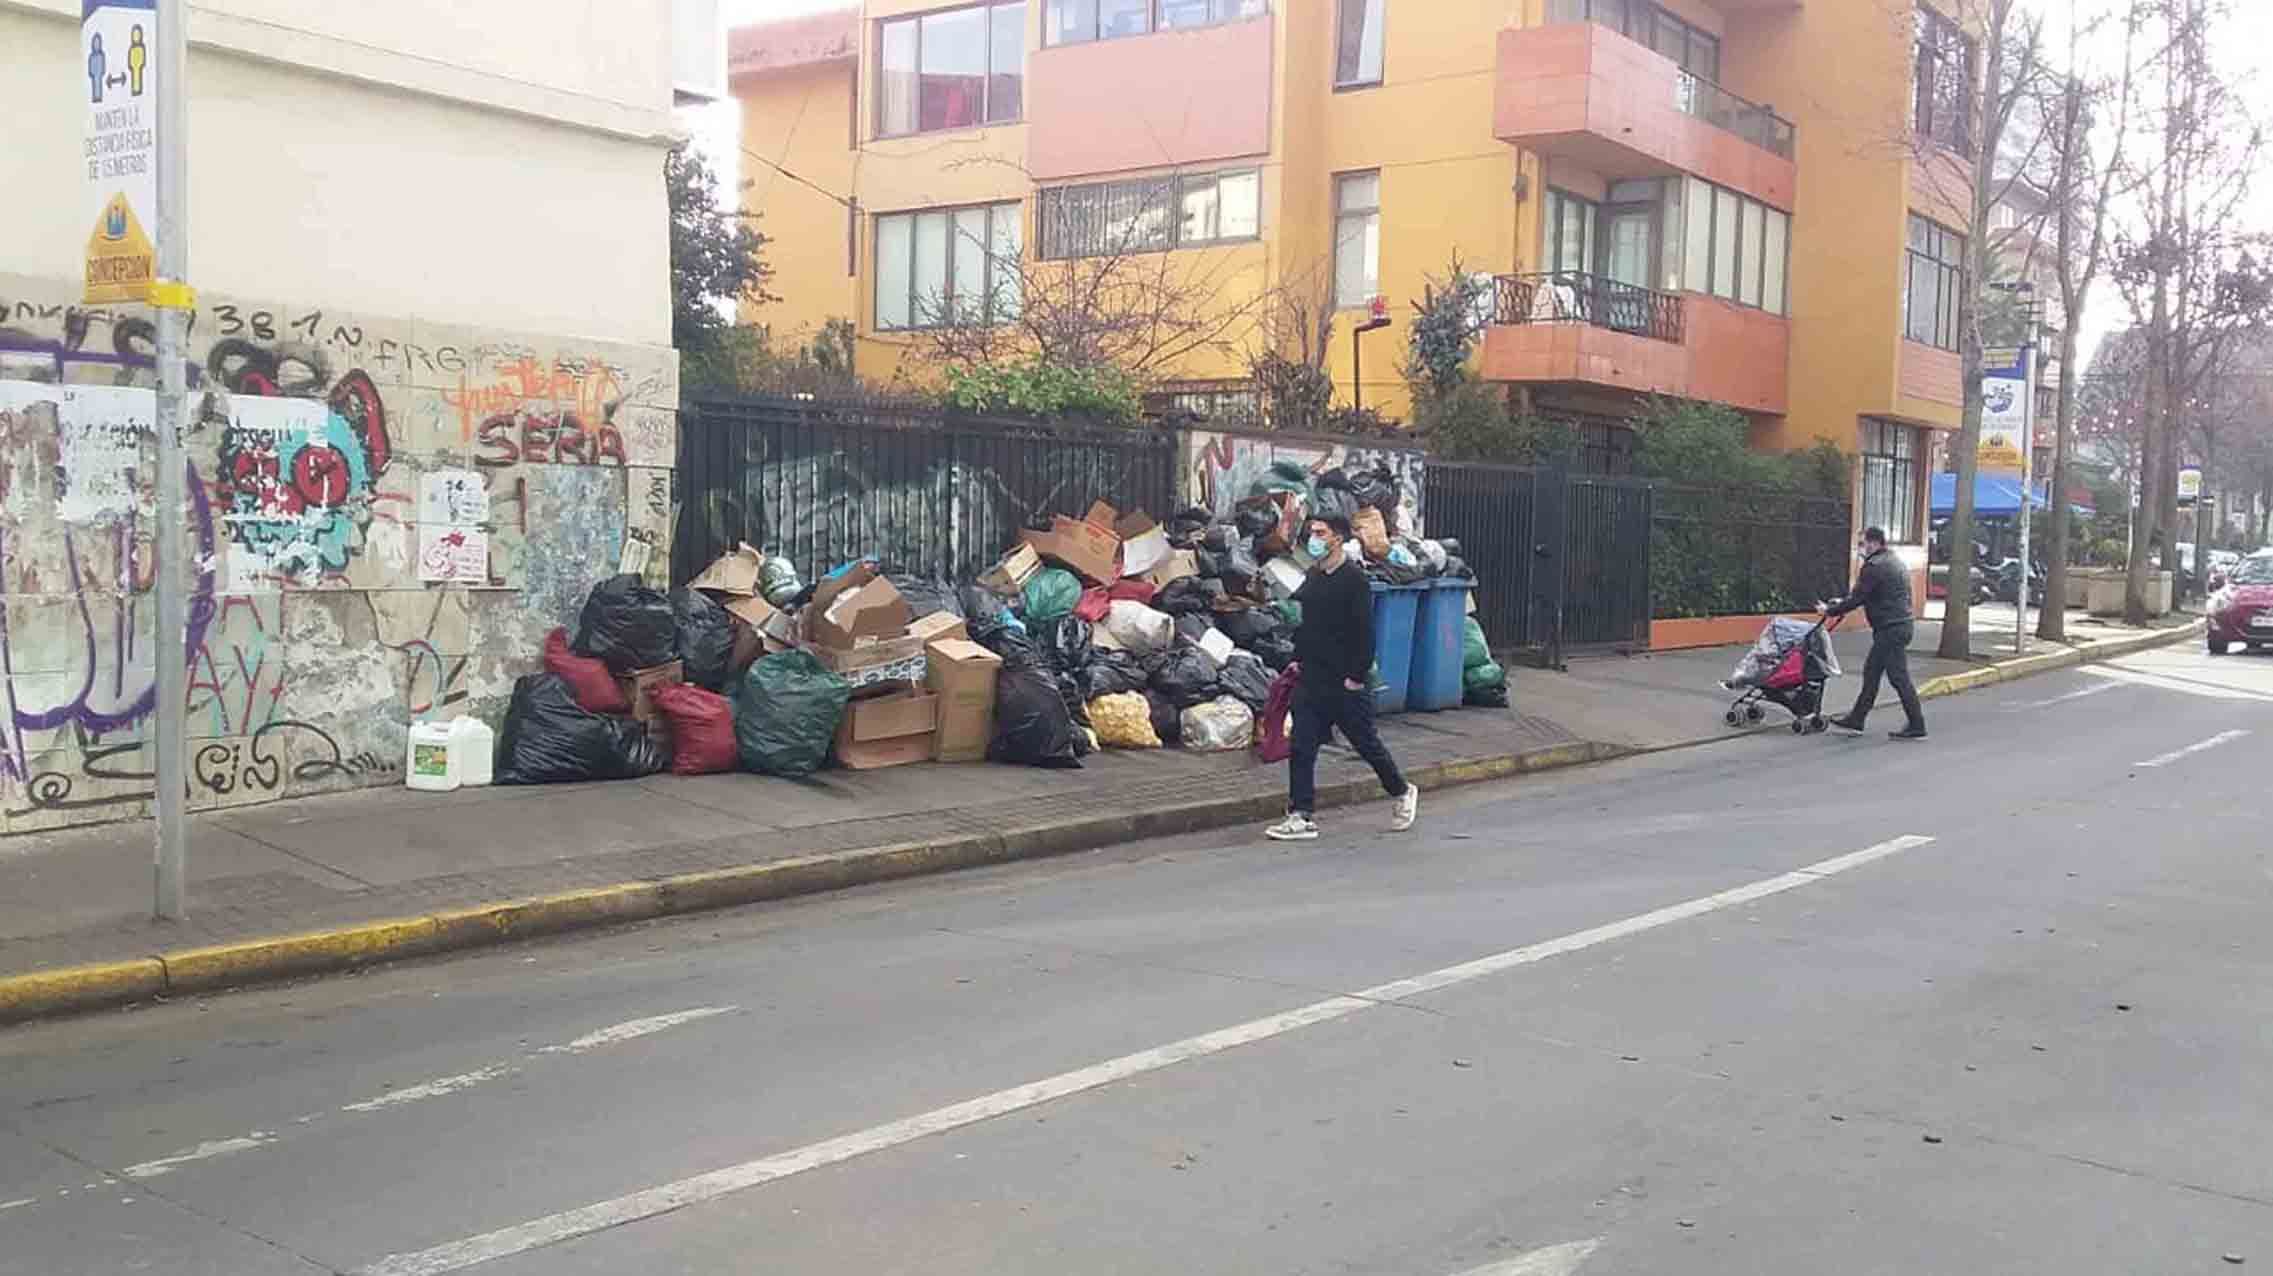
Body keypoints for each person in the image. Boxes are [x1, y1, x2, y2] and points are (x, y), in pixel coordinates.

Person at [1264, 514, 1419, 840]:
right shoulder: (1315, 575)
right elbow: (1306, 624)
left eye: (1321, 533)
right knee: (1303, 745)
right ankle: (1300, 815)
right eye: (1311, 532)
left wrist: (1356, 675)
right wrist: (1297, 660)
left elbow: (1365, 631)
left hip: (1344, 680)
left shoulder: (1354, 580)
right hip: (1312, 676)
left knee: (1365, 743)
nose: (1314, 538)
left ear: (1337, 538)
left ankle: (1402, 790)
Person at [1820, 525, 1927, 740]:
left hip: (1890, 628)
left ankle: (1917, 724)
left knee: (1898, 677)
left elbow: (1858, 598)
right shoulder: (1894, 560)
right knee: (1872, 673)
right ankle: (1857, 719)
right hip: (1900, 625)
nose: (1861, 548)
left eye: (1863, 543)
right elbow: (1871, 595)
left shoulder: (1874, 566)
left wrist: (1830, 610)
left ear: (1874, 543)